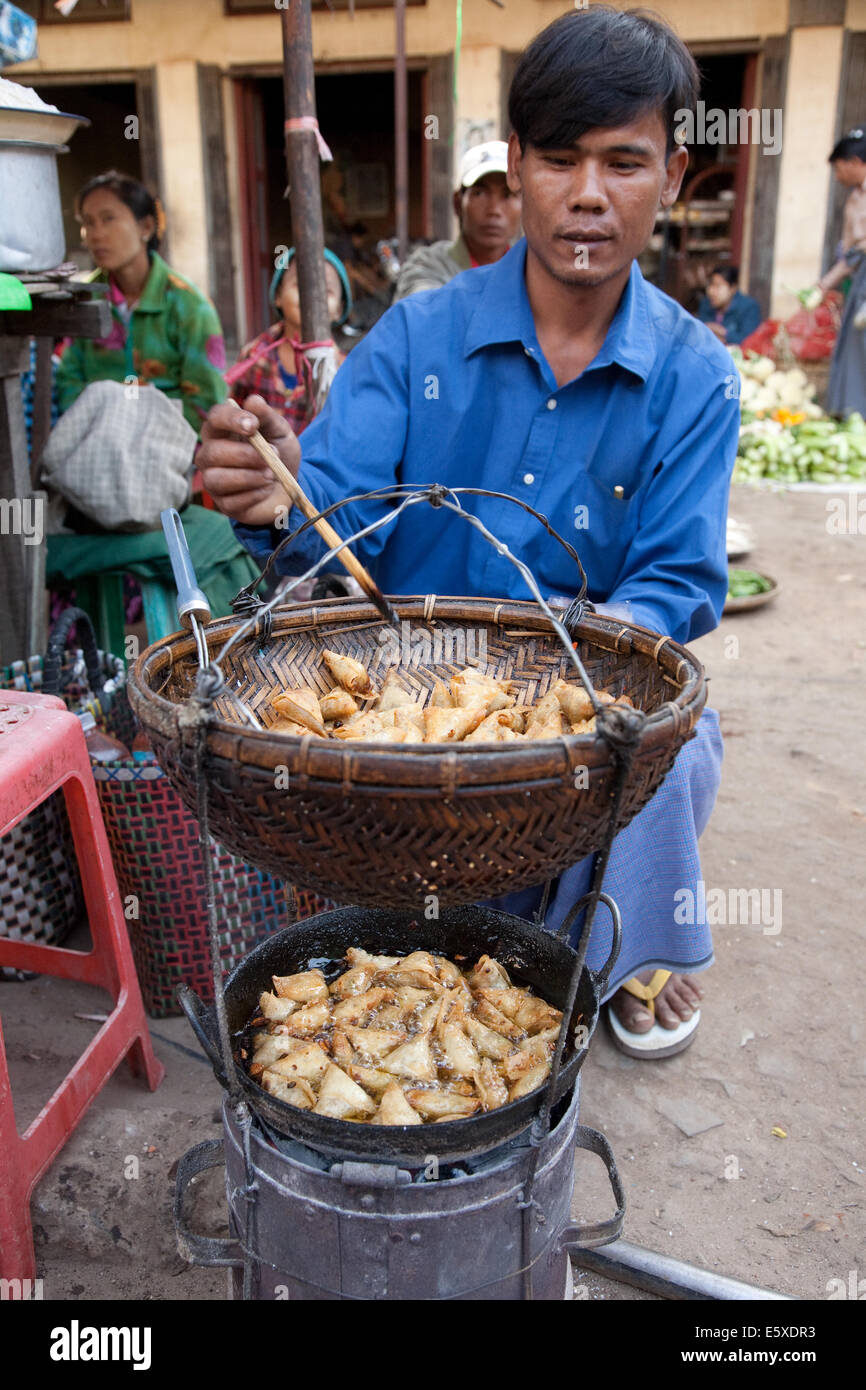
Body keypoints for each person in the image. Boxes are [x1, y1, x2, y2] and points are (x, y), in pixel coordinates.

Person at [197, 5, 739, 1059]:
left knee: (680, 741)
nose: (586, 194)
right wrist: (278, 492)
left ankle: (610, 956)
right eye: (556, 159)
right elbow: (332, 511)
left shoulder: (692, 376)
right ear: (520, 168)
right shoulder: (417, 334)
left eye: (622, 162)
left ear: (670, 175)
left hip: (580, 689)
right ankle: (410, 945)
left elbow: (674, 581)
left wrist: (552, 694)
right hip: (399, 680)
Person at [55, 171, 227, 434]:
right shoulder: (85, 301)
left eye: (108, 219)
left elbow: (205, 402)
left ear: (145, 227)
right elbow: (68, 383)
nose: (96, 234)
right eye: (88, 222)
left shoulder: (190, 306)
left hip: (170, 446)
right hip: (96, 440)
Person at [227, 248, 352, 435]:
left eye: (326, 291)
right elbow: (234, 418)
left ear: (339, 310)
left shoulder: (344, 371)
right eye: (300, 286)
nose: (312, 297)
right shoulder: (252, 356)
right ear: (278, 296)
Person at [393, 140, 522, 301]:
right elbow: (424, 311)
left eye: (508, 195)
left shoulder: (533, 272)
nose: (494, 210)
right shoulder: (430, 266)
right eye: (480, 193)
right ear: (457, 203)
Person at [811, 128, 866, 415]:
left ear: (856, 162)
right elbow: (849, 255)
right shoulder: (854, 199)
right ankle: (851, 414)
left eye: (839, 167)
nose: (837, 175)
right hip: (859, 284)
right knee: (852, 348)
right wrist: (822, 285)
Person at [697, 264, 761, 345]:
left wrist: (722, 331)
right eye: (710, 285)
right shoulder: (706, 303)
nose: (710, 291)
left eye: (717, 286)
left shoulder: (749, 307)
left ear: (733, 288)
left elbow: (749, 342)